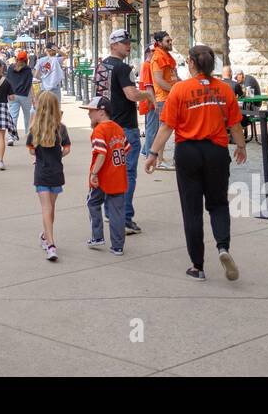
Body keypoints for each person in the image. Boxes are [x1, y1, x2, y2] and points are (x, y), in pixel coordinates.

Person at [147, 44, 246, 282]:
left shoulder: (180, 90)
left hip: (188, 151)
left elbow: (167, 126)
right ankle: (223, 247)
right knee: (219, 204)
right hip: (216, 151)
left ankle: (197, 266)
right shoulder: (224, 89)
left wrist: (153, 153)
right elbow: (235, 125)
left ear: (191, 63)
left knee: (191, 210)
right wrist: (241, 147)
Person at [98, 28, 155, 234]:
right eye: (124, 42)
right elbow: (131, 95)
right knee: (127, 172)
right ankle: (124, 216)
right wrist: (147, 95)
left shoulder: (101, 66)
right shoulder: (123, 68)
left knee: (108, 169)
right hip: (124, 127)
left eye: (129, 41)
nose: (128, 45)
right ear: (114, 45)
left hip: (106, 125)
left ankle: (109, 211)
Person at [83, 97, 129, 256]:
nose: (89, 114)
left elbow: (101, 154)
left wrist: (94, 173)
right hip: (118, 175)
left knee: (92, 202)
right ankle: (117, 246)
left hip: (102, 177)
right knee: (117, 211)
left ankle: (97, 236)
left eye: (91, 111)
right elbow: (126, 148)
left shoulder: (99, 130)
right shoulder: (118, 128)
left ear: (101, 112)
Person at [28, 91, 69, 261]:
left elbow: (31, 150)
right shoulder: (61, 128)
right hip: (56, 172)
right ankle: (50, 242)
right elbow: (66, 149)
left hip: (42, 172)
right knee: (51, 207)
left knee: (46, 208)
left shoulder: (34, 128)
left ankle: (47, 239)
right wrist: (58, 154)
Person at [144, 31, 177, 171]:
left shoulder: (166, 56)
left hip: (171, 96)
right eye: (167, 41)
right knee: (163, 129)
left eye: (170, 40)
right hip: (165, 98)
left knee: (166, 128)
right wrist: (175, 89)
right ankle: (159, 160)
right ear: (159, 42)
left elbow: (172, 76)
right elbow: (158, 80)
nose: (170, 43)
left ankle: (161, 159)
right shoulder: (158, 57)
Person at [6, 49, 34, 145]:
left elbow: (7, 81)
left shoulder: (10, 68)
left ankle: (11, 137)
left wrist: (8, 94)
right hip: (25, 95)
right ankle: (28, 135)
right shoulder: (28, 70)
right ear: (26, 60)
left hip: (13, 95)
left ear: (16, 59)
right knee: (28, 116)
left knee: (13, 116)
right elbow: (30, 85)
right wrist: (34, 98)